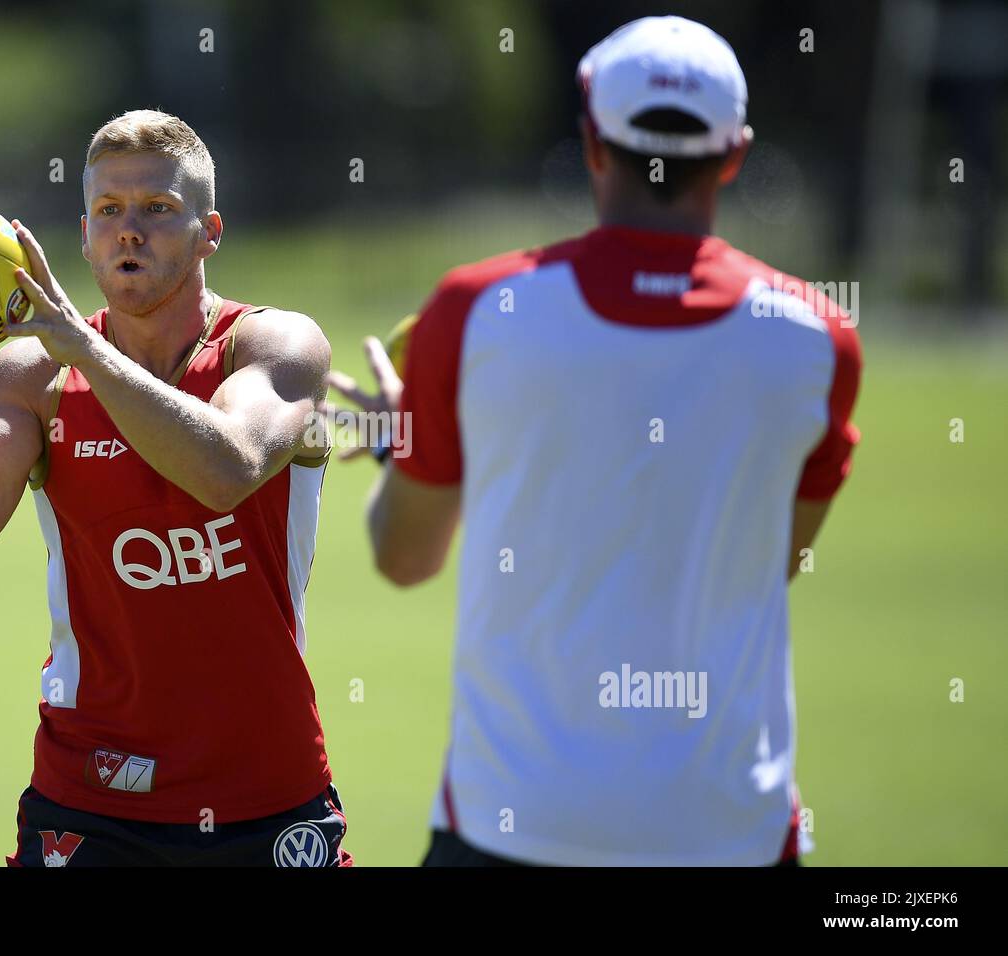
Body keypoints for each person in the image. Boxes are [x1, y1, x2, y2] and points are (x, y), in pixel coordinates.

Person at [329, 16, 862, 866]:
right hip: (730, 830)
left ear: (591, 144)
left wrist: (405, 445)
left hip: (511, 823)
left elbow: (405, 557)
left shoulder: (474, 309)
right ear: (734, 155)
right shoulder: (819, 337)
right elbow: (775, 561)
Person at [0, 109, 350, 867]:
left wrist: (84, 346)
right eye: (109, 211)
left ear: (210, 231)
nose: (129, 231)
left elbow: (226, 470)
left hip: (266, 797)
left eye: (157, 210)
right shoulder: (32, 377)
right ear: (83, 233)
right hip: (89, 802)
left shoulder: (276, 344)